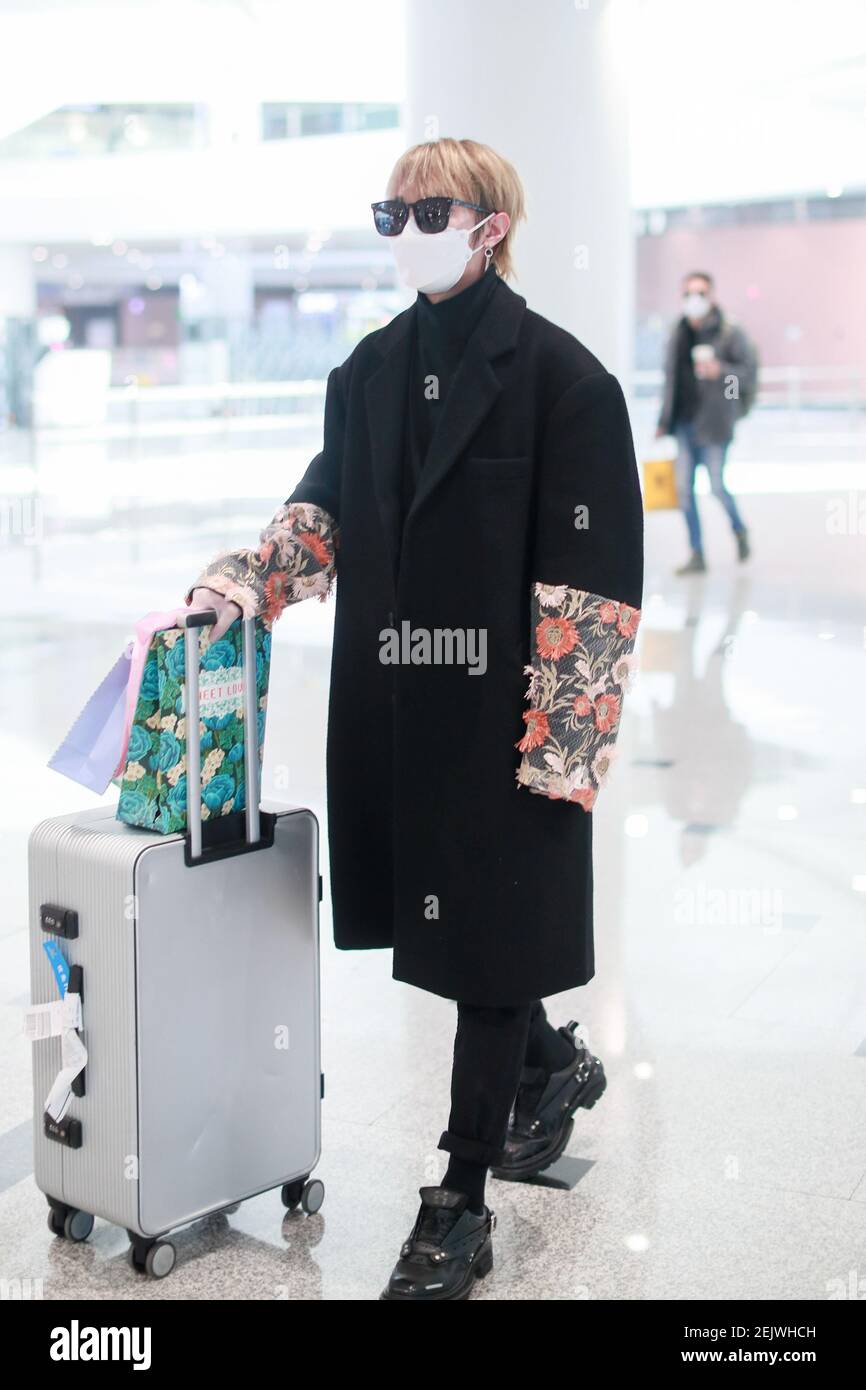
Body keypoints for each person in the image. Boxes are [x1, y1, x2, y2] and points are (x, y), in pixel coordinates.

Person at [185, 138, 644, 1301]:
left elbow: (591, 587)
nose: (404, 230)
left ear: (490, 224)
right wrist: (245, 579)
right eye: (388, 212)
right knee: (462, 936)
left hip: (505, 721)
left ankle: (460, 1196)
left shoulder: (564, 381)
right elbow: (324, 509)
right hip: (396, 709)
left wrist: (562, 750)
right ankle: (543, 1066)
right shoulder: (370, 372)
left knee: (490, 931)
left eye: (426, 210)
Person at [656, 271, 757, 575]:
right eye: (688, 294)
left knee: (716, 485)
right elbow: (671, 380)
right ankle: (696, 553)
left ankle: (739, 530)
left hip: (715, 425)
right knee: (684, 490)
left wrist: (721, 371)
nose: (693, 300)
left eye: (700, 293)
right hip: (685, 425)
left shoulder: (729, 332)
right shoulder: (679, 332)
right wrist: (664, 420)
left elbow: (746, 375)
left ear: (711, 296)